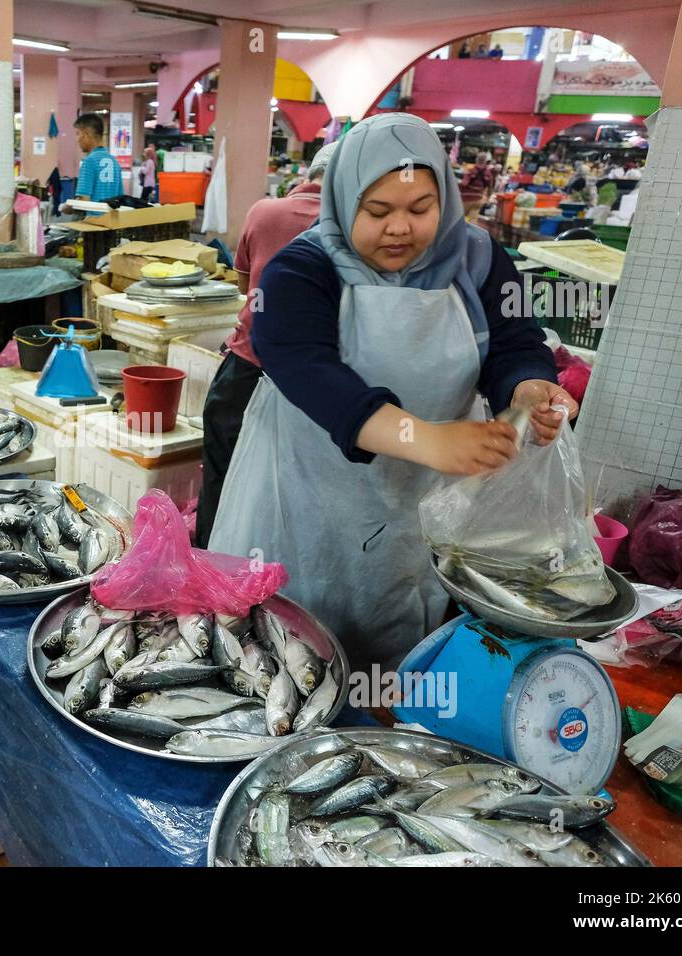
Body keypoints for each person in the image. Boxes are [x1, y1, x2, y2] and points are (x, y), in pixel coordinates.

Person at [208, 113, 576, 673]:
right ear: (342, 200)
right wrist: (422, 437)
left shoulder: (477, 260)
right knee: (292, 642)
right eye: (376, 212)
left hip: (425, 489)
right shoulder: (302, 270)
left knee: (400, 624)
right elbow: (307, 369)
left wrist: (526, 388)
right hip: (311, 485)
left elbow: (515, 342)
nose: (399, 228)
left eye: (420, 209)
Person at [195, 142, 335, 547]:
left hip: (247, 367)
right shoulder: (352, 225)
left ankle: (209, 563)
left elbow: (244, 287)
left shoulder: (265, 211)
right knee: (292, 488)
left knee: (222, 471)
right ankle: (269, 579)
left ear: (308, 176)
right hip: (316, 382)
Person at [68, 113, 123, 205]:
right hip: (112, 218)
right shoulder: (114, 161)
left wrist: (67, 207)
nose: (77, 139)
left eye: (78, 134)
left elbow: (83, 201)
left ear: (87, 135)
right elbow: (121, 198)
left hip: (93, 218)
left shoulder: (89, 161)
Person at [459, 151, 494, 219]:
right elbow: (490, 188)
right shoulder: (488, 173)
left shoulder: (470, 171)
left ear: (476, 159)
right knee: (472, 220)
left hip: (466, 199)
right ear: (485, 161)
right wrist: (488, 198)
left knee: (461, 219)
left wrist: (457, 184)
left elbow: (464, 184)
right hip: (478, 200)